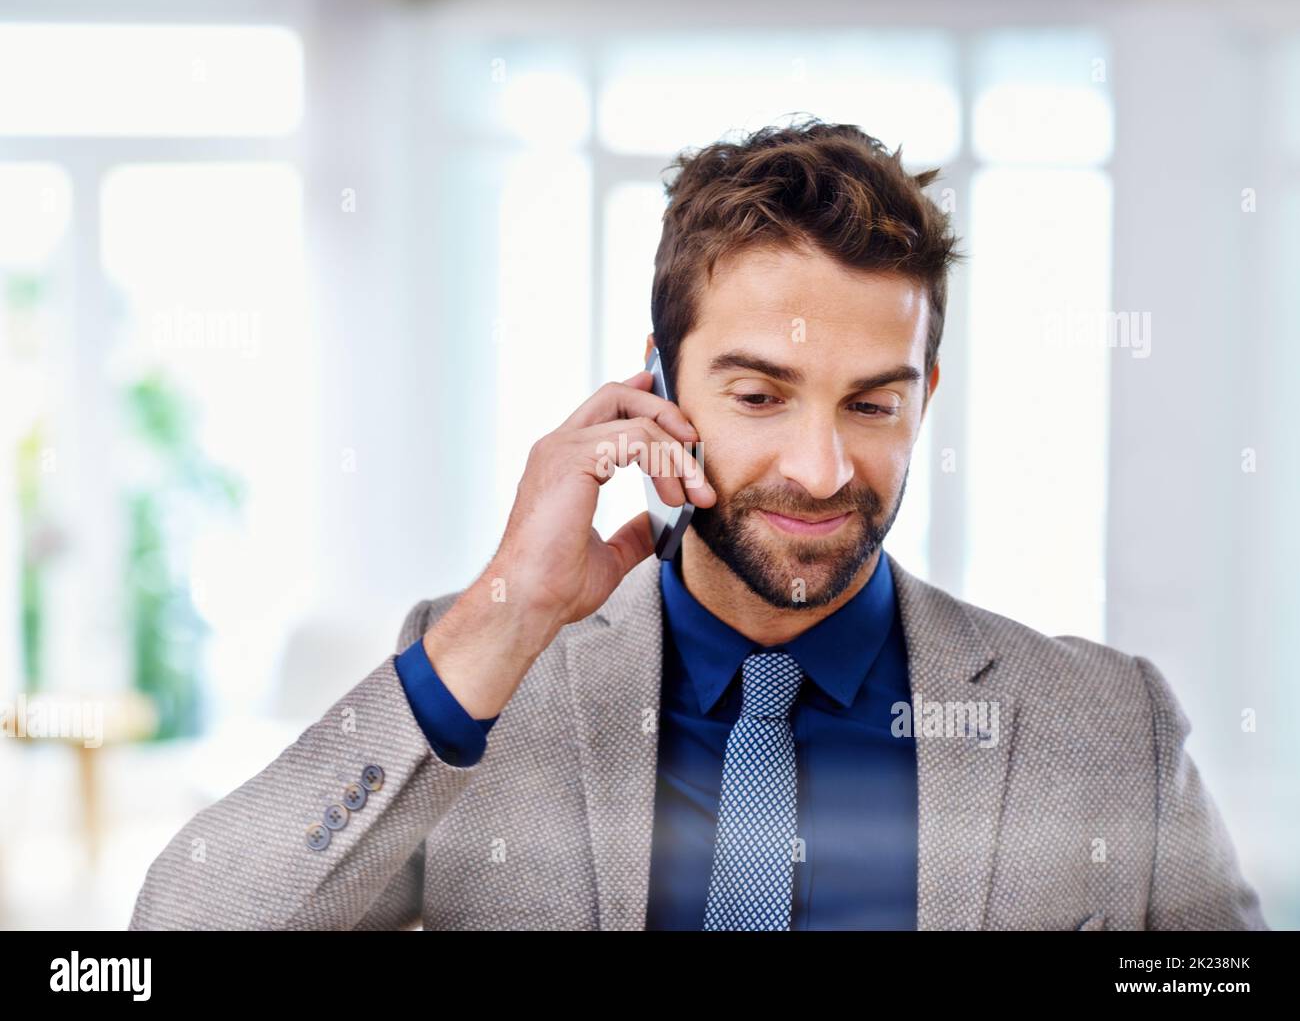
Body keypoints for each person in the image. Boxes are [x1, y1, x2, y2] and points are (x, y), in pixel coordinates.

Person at [129, 118, 1267, 931]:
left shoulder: (1109, 728)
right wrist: (502, 617)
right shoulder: (484, 685)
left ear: (926, 397)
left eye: (872, 402)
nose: (822, 470)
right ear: (657, 388)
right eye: (760, 395)